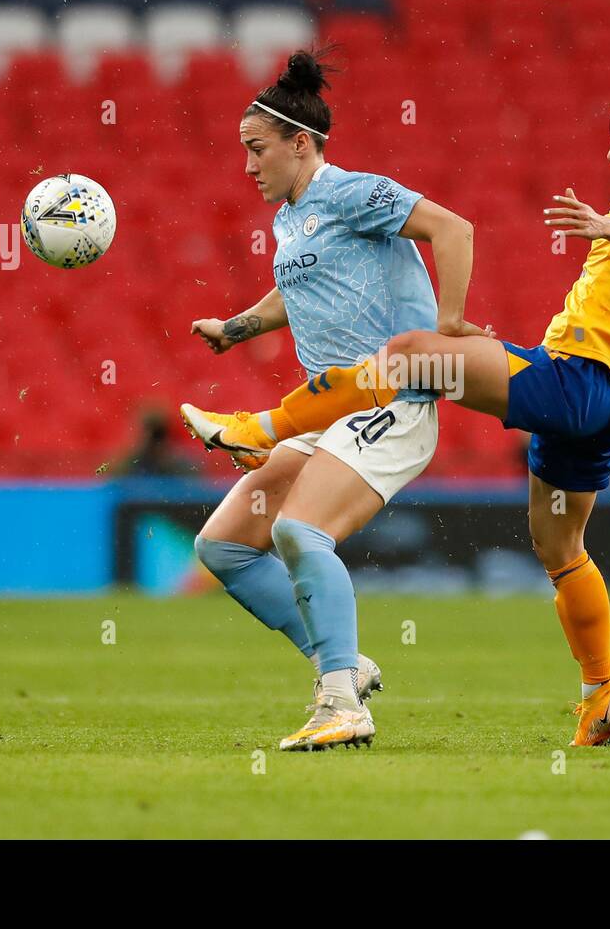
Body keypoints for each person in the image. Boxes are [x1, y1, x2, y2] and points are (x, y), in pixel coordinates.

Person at [183, 63, 610, 746]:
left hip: (575, 373)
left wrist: (599, 224)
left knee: (410, 355)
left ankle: (258, 427)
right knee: (562, 547)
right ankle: (600, 691)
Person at [183, 49, 487, 751]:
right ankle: (342, 662)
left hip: (391, 402)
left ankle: (341, 700)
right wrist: (236, 328)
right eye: (242, 152)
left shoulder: (351, 193)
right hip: (328, 413)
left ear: (300, 143)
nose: (248, 165)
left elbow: (454, 228)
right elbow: (300, 291)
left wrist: (449, 325)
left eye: (257, 150)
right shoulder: (292, 220)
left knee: (298, 530)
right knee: (224, 547)